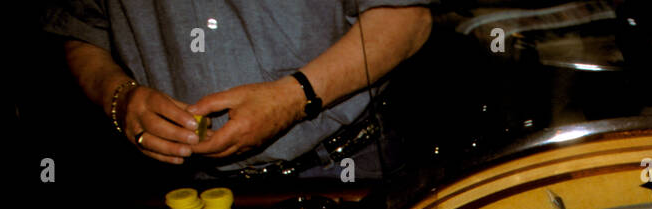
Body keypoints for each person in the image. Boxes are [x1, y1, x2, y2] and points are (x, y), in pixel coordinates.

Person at [44, 1, 432, 178]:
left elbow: (406, 19)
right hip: (181, 189)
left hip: (346, 174)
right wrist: (120, 97)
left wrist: (292, 99)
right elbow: (81, 32)